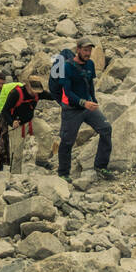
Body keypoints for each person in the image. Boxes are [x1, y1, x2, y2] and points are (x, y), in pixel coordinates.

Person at [52, 38, 114, 181]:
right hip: (72, 109)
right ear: (78, 49)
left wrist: (93, 99)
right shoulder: (66, 67)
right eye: (85, 50)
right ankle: (63, 173)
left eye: (90, 51)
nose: (88, 53)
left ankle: (101, 166)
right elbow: (67, 92)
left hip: (88, 106)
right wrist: (83, 102)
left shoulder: (90, 64)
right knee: (67, 141)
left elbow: (89, 83)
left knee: (106, 129)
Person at [0, 75, 55, 174]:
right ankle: (15, 175)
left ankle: (41, 160)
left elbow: (51, 97)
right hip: (17, 124)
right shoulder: (16, 94)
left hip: (30, 121)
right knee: (17, 152)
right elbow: (4, 111)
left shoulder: (37, 93)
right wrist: (11, 122)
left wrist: (62, 94)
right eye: (33, 90)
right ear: (27, 86)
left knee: (46, 131)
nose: (35, 93)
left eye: (37, 91)